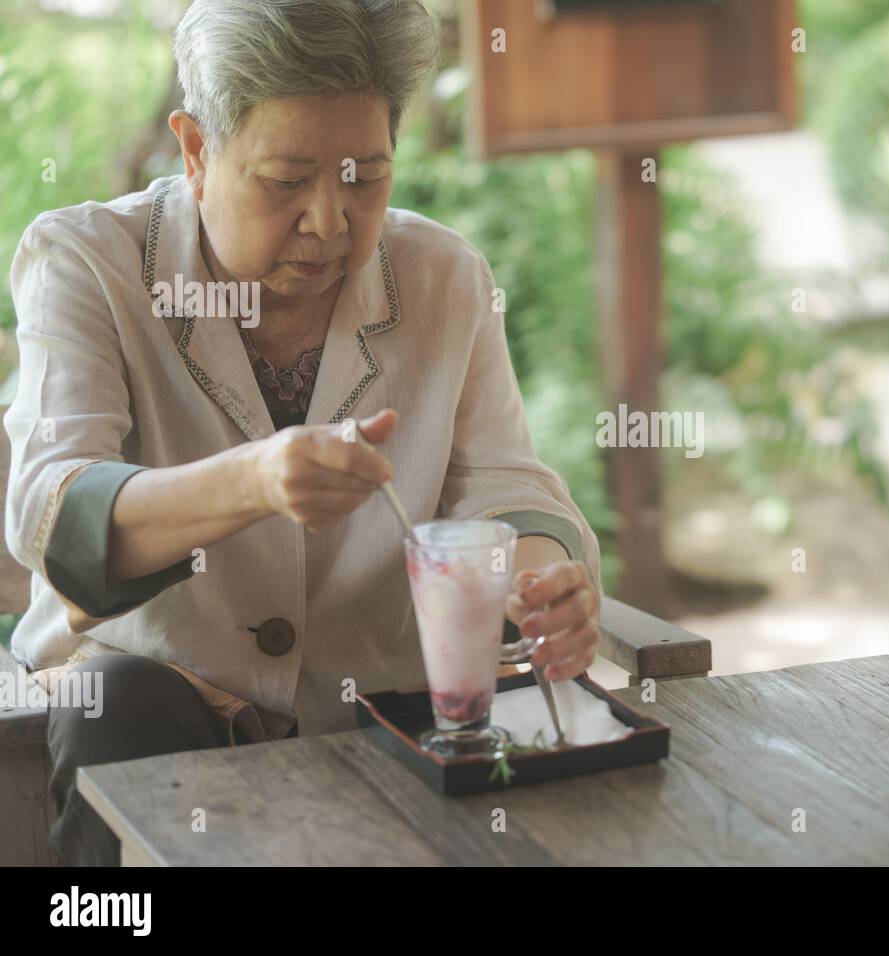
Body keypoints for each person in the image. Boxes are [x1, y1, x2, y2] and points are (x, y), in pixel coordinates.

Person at [4, 0, 603, 866]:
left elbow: (505, 488)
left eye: (366, 178)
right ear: (197, 150)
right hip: (161, 692)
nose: (330, 221)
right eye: (286, 180)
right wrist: (250, 481)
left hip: (381, 704)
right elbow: (53, 509)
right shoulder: (88, 263)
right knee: (118, 705)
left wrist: (543, 582)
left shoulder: (441, 279)